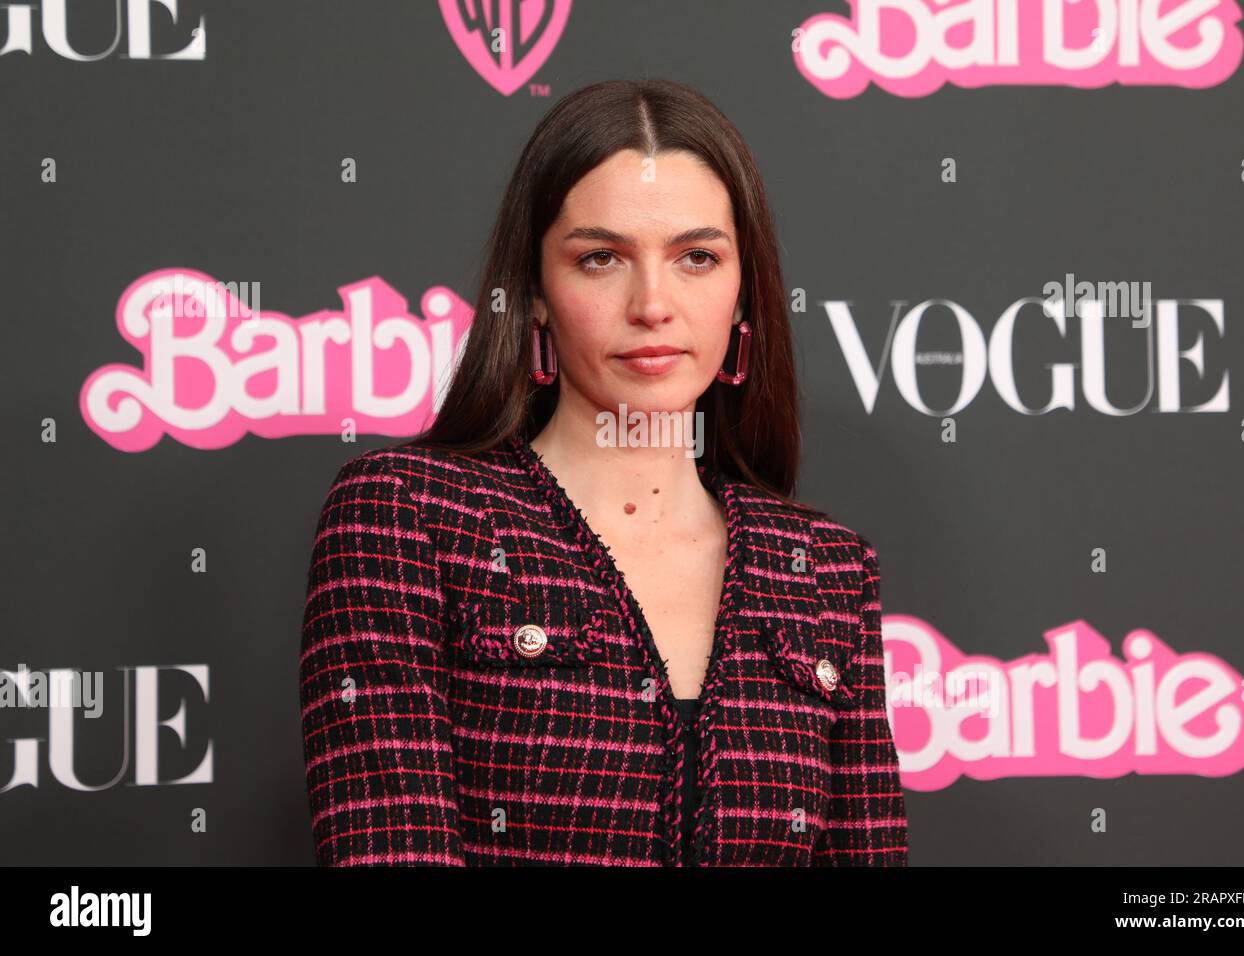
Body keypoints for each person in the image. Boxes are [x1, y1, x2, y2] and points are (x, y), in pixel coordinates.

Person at [298, 78, 907, 866]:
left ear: (743, 290)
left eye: (696, 257)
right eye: (600, 258)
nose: (653, 304)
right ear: (537, 294)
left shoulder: (826, 568)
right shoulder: (405, 515)